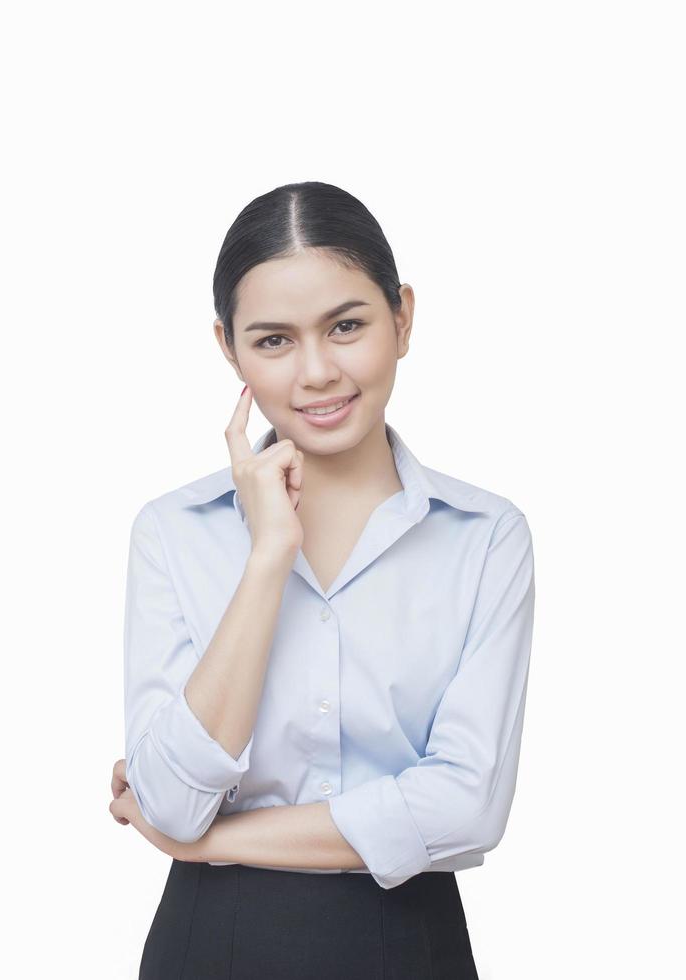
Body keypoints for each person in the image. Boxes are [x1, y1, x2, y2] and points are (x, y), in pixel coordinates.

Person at [107, 181, 535, 979]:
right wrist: (268, 554)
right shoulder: (172, 532)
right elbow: (169, 801)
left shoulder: (485, 538)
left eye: (346, 327)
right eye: (272, 340)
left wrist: (210, 842)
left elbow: (467, 808)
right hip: (211, 947)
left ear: (402, 317)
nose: (316, 372)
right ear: (228, 348)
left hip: (411, 948)